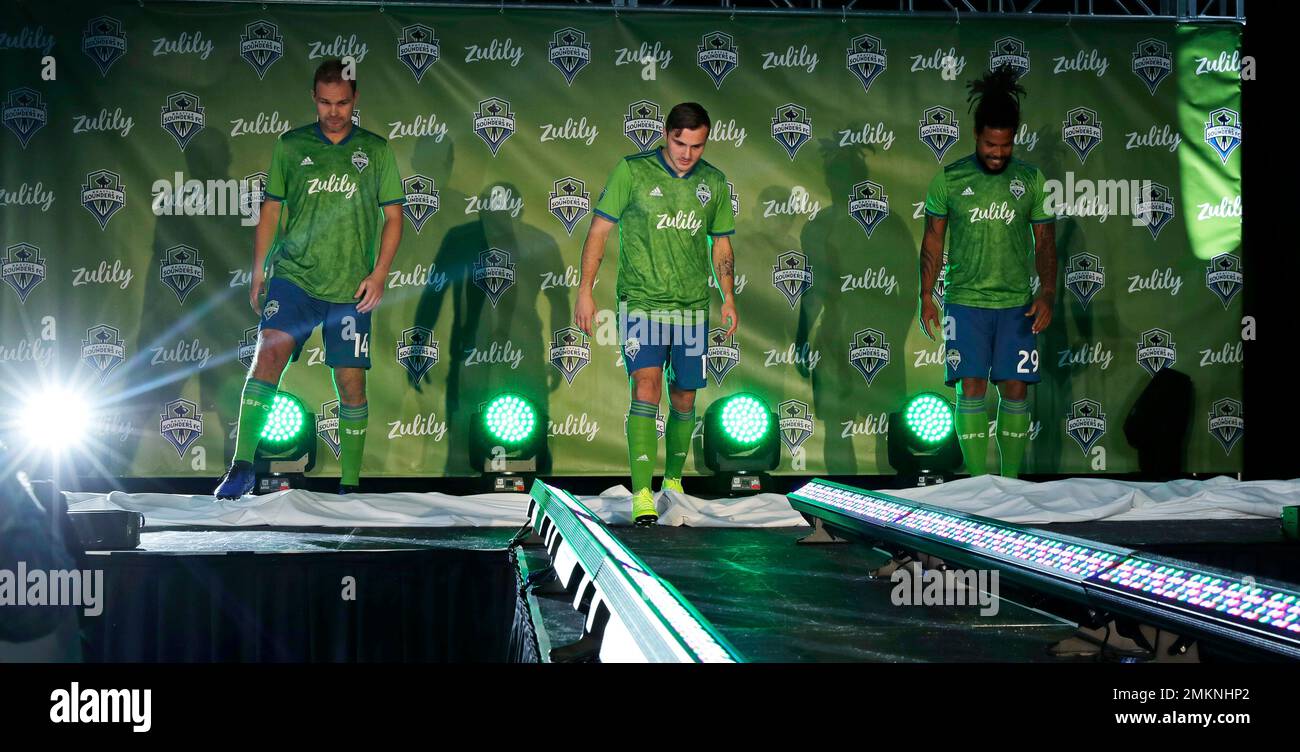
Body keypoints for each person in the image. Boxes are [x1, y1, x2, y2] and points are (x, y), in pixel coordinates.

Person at [215, 59, 404, 499]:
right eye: (324, 102)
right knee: (267, 355)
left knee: (351, 383)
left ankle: (350, 485)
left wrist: (379, 274)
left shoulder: (376, 151)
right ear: (314, 99)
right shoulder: (290, 145)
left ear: (355, 99)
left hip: (350, 286)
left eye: (341, 103)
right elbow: (272, 209)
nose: (333, 111)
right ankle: (241, 468)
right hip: (294, 278)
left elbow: (394, 216)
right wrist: (260, 269)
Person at [573, 102, 738, 525]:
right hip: (641, 303)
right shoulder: (632, 171)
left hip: (691, 309)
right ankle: (642, 492)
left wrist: (729, 297)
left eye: (696, 145)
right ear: (666, 135)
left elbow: (721, 245)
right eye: (680, 143)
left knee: (684, 395)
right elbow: (599, 231)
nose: (687, 153)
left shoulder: (714, 182)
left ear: (706, 141)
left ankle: (674, 482)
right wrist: (584, 291)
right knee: (645, 387)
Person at [918, 66, 1057, 479]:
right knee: (971, 386)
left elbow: (1045, 242)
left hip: (1016, 304)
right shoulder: (949, 178)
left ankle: (1010, 485)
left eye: (1006, 145)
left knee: (1015, 389)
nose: (998, 153)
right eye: (990, 144)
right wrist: (926, 295)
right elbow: (932, 241)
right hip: (965, 301)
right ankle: (979, 484)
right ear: (976, 134)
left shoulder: (1031, 179)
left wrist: (1047, 292)